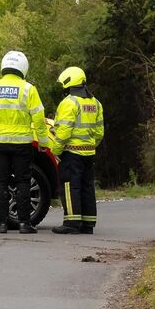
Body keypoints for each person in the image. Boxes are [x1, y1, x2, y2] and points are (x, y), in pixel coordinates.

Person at [0, 50, 49, 234]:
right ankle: (24, 223)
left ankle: (0, 224)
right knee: (23, 181)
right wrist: (43, 141)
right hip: (22, 144)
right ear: (23, 68)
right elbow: (39, 118)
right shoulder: (28, 89)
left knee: (0, 181)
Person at [48, 67, 104, 234]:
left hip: (71, 154)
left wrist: (56, 150)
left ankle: (71, 224)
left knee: (70, 186)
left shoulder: (69, 103)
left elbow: (64, 131)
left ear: (68, 83)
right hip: (89, 153)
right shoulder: (96, 103)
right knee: (87, 187)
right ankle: (88, 224)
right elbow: (99, 132)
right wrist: (91, 145)